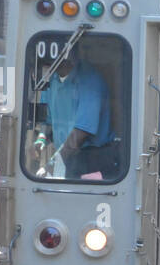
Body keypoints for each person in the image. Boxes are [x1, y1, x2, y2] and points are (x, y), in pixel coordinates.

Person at [37, 49, 117, 179]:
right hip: (65, 156)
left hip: (91, 159)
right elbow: (48, 121)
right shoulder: (53, 80)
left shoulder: (90, 80)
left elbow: (80, 133)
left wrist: (52, 164)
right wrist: (41, 139)